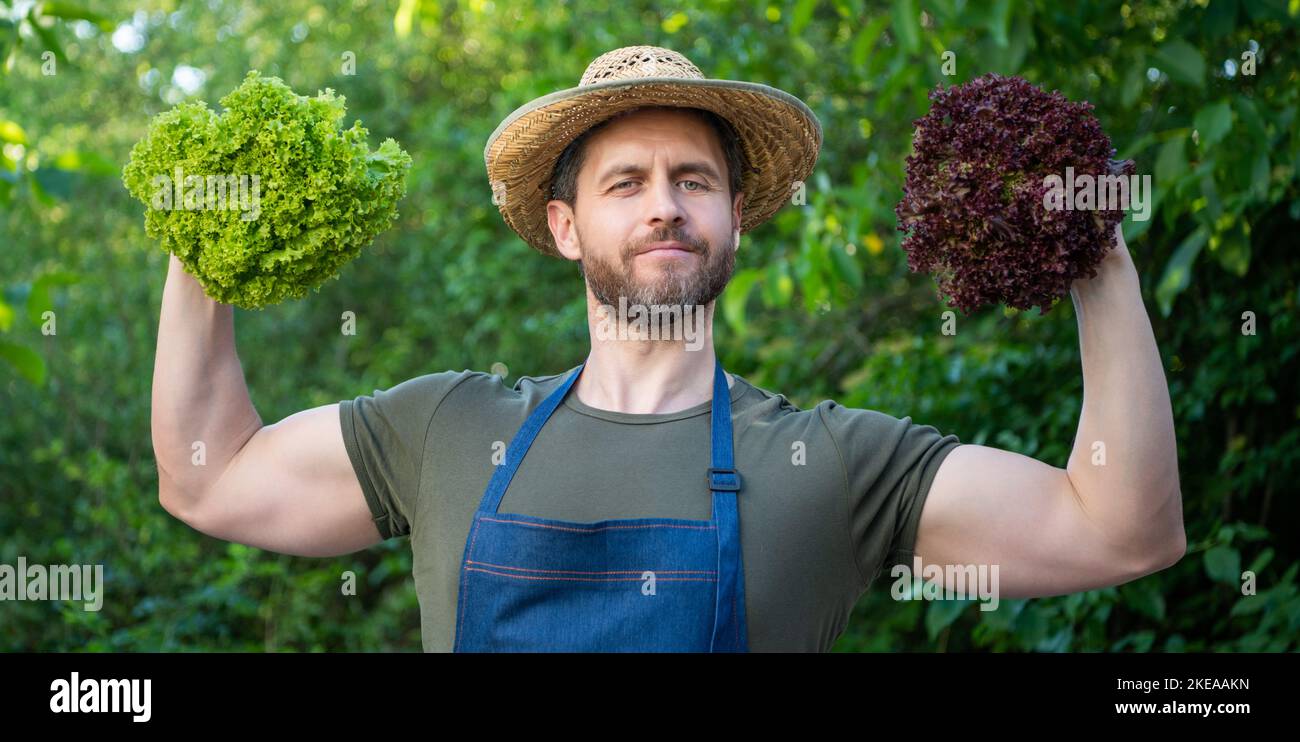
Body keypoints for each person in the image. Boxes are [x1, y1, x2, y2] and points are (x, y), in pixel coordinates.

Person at [152, 45, 1185, 652]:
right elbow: (210, 479)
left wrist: (1089, 251)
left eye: (693, 180)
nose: (664, 208)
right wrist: (212, 241)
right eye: (624, 181)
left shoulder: (833, 462)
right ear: (563, 227)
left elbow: (1121, 530)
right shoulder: (447, 428)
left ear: (737, 216)